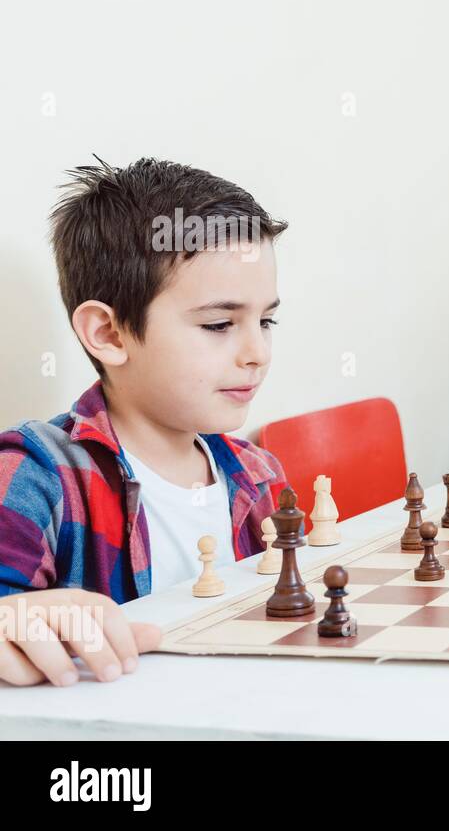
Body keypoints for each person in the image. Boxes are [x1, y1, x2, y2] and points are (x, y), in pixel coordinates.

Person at [0, 158, 289, 687]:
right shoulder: (36, 476)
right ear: (108, 334)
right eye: (220, 324)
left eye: (266, 320)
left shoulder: (258, 473)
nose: (257, 352)